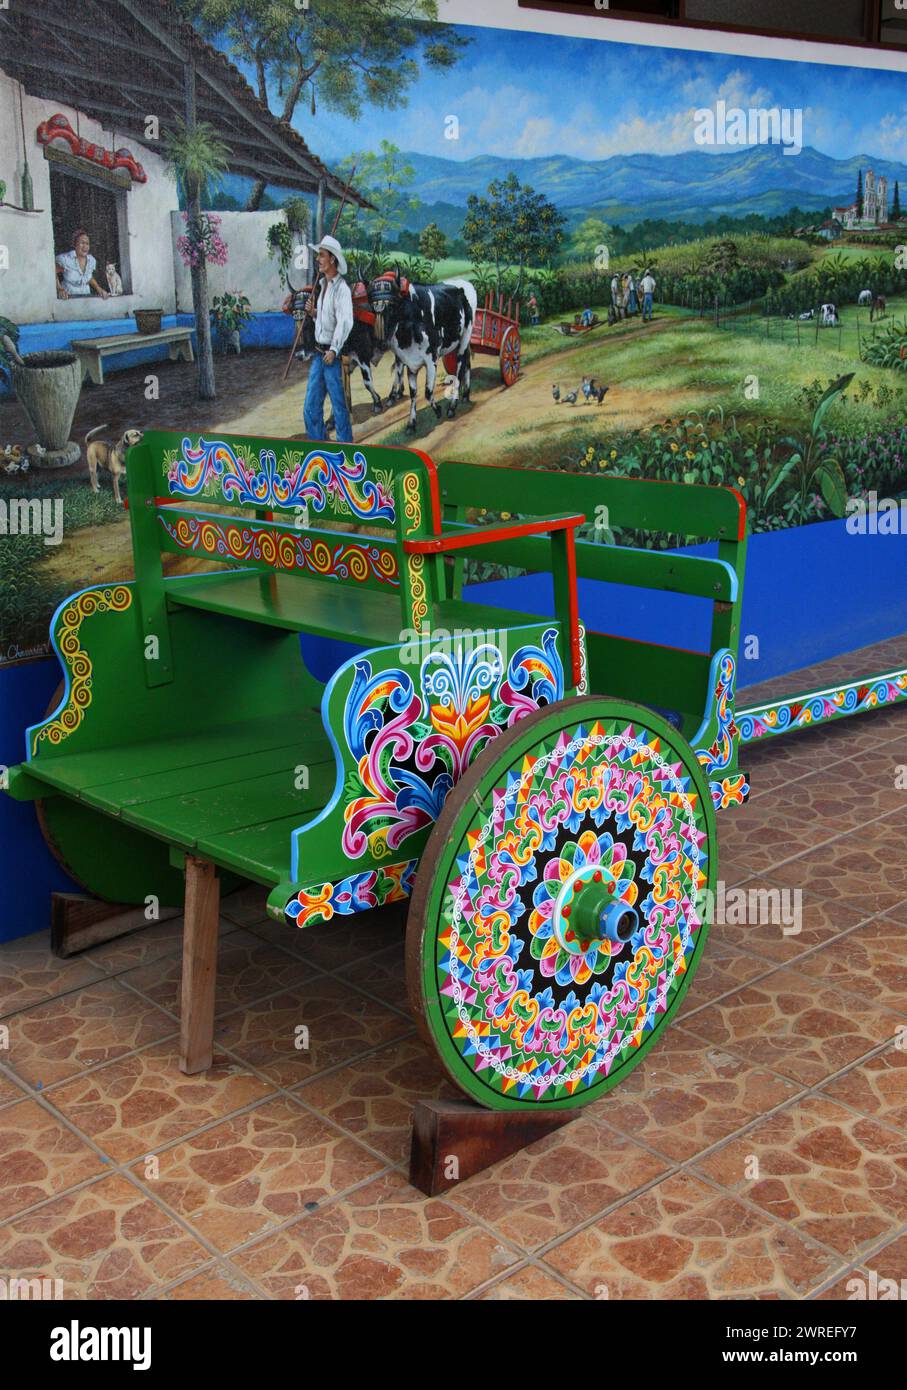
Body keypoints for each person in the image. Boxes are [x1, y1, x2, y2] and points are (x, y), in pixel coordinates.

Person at [302, 235, 354, 443]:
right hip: (318, 356)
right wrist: (315, 313)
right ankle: (319, 447)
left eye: (321, 255)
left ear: (332, 259)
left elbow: (344, 322)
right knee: (310, 407)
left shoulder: (342, 289)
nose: (318, 259)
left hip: (333, 358)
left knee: (339, 408)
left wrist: (334, 349)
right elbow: (328, 320)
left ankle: (344, 451)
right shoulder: (322, 286)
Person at [55, 230, 110, 300]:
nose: (85, 246)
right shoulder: (67, 259)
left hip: (86, 298)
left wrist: (98, 288)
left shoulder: (91, 260)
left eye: (87, 243)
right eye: (82, 243)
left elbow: (89, 277)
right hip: (68, 298)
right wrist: (60, 289)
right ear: (75, 245)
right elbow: (53, 272)